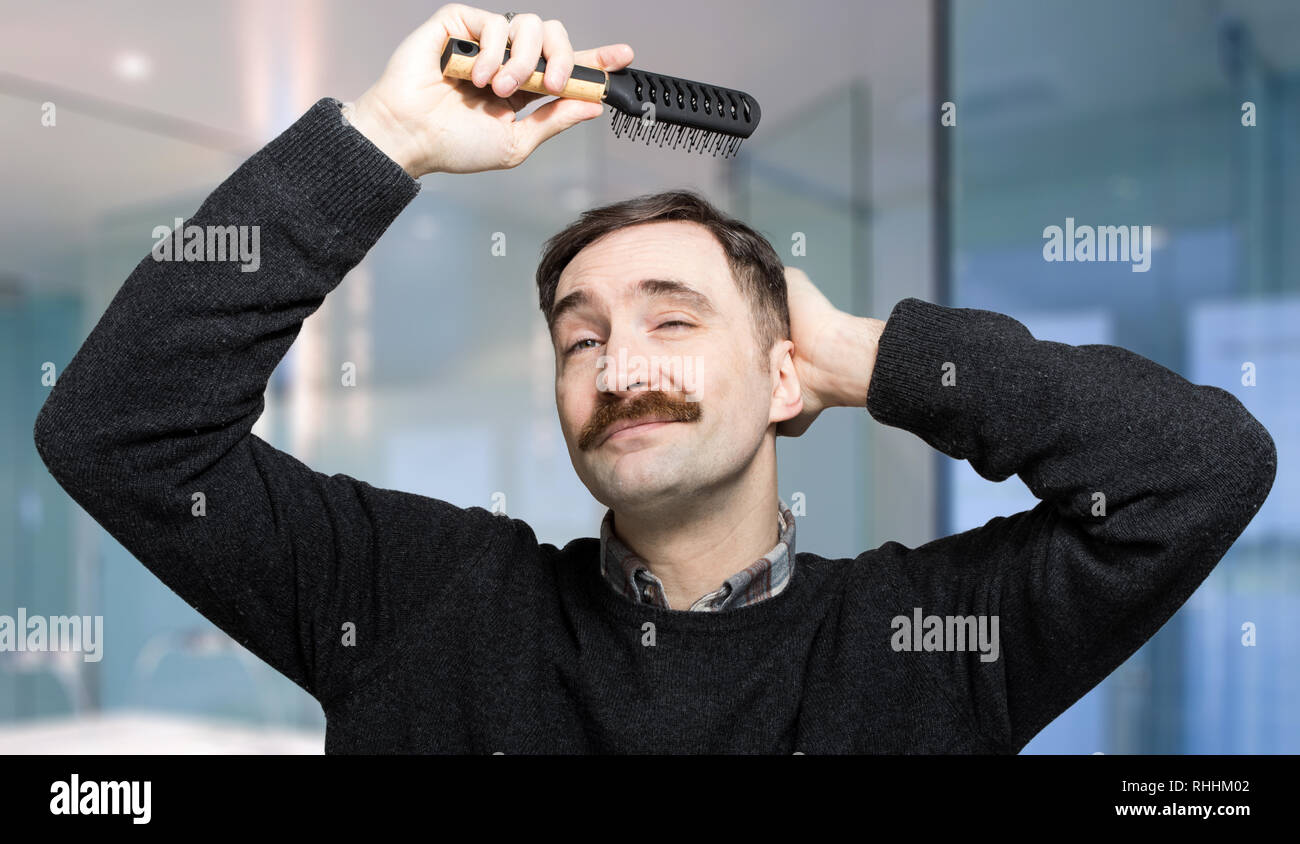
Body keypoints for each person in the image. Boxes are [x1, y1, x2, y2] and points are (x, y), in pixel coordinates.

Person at [33, 4, 1276, 753]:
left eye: (672, 319)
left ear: (787, 377)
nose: (619, 363)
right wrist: (387, 139)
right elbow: (118, 430)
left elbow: (1200, 471)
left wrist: (856, 352)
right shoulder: (419, 601)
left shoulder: (922, 648)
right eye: (579, 336)